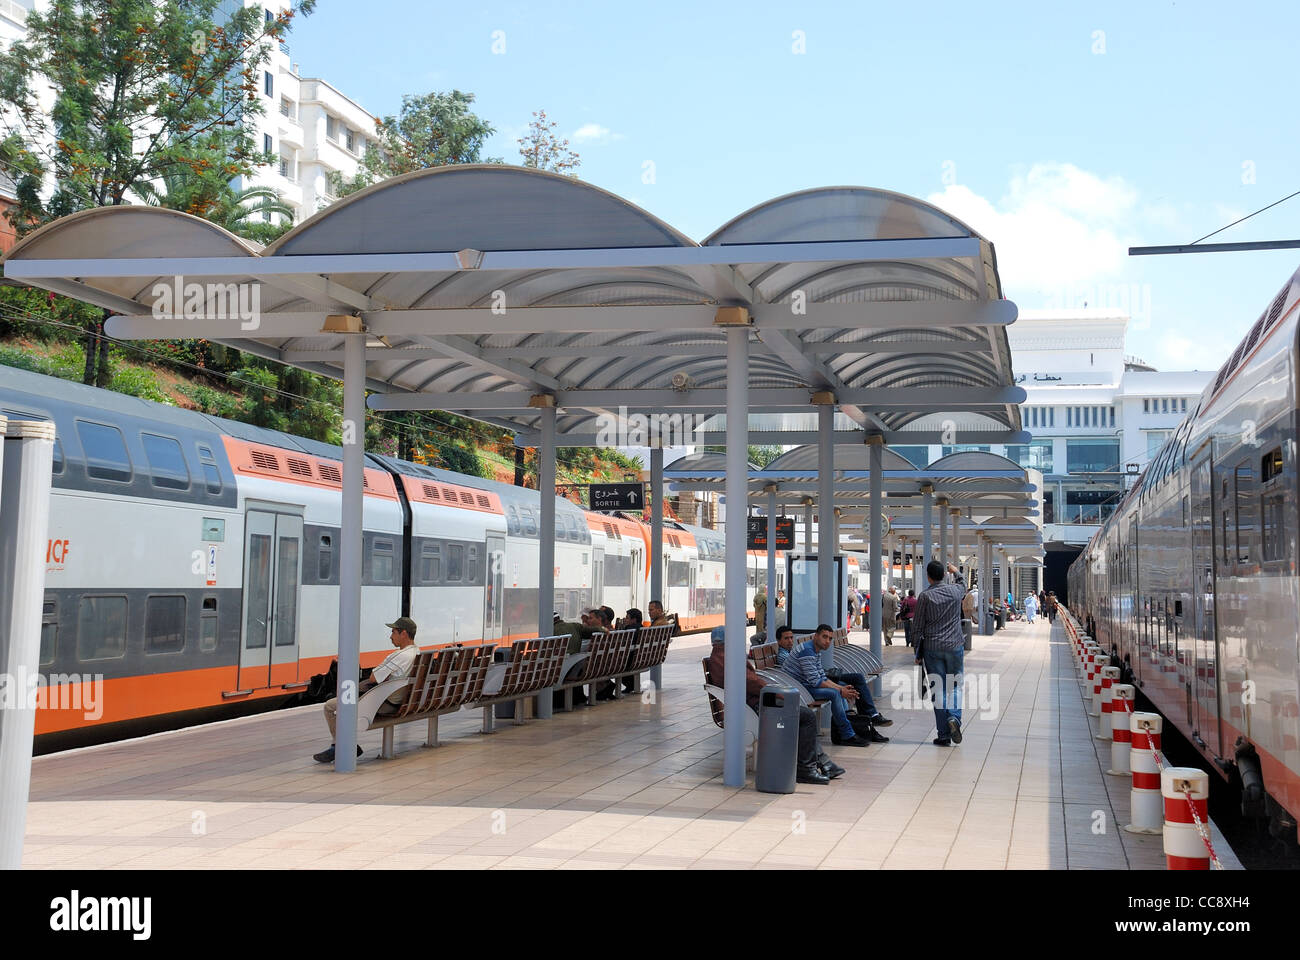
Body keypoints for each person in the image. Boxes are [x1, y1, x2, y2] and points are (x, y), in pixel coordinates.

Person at [706, 627, 843, 784]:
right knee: (805, 717)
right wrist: (776, 693)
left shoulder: (721, 656)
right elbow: (750, 682)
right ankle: (807, 769)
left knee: (803, 714)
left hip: (750, 703)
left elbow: (748, 681)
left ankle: (820, 764)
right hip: (753, 706)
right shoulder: (725, 657)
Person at [314, 616, 420, 763]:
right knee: (344, 698)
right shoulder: (417, 653)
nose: (390, 636)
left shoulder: (400, 656)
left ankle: (339, 746)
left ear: (404, 634)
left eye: (393, 632)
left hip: (384, 704)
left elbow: (373, 678)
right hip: (400, 702)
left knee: (330, 706)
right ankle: (341, 745)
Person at [783, 624, 891, 745]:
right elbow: (815, 681)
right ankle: (847, 734)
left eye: (830, 638)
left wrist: (842, 688)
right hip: (799, 688)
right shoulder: (807, 651)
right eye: (824, 637)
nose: (827, 641)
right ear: (815, 636)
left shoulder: (815, 650)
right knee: (835, 694)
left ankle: (853, 729)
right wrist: (840, 691)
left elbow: (822, 677)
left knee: (840, 689)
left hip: (805, 685)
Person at [913, 561, 966, 747]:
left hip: (932, 648)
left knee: (939, 690)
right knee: (956, 686)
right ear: (944, 574)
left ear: (928, 576)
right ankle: (954, 718)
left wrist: (917, 651)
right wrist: (956, 571)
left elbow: (917, 626)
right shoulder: (955, 592)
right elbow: (963, 584)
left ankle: (943, 735)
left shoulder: (925, 596)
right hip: (954, 646)